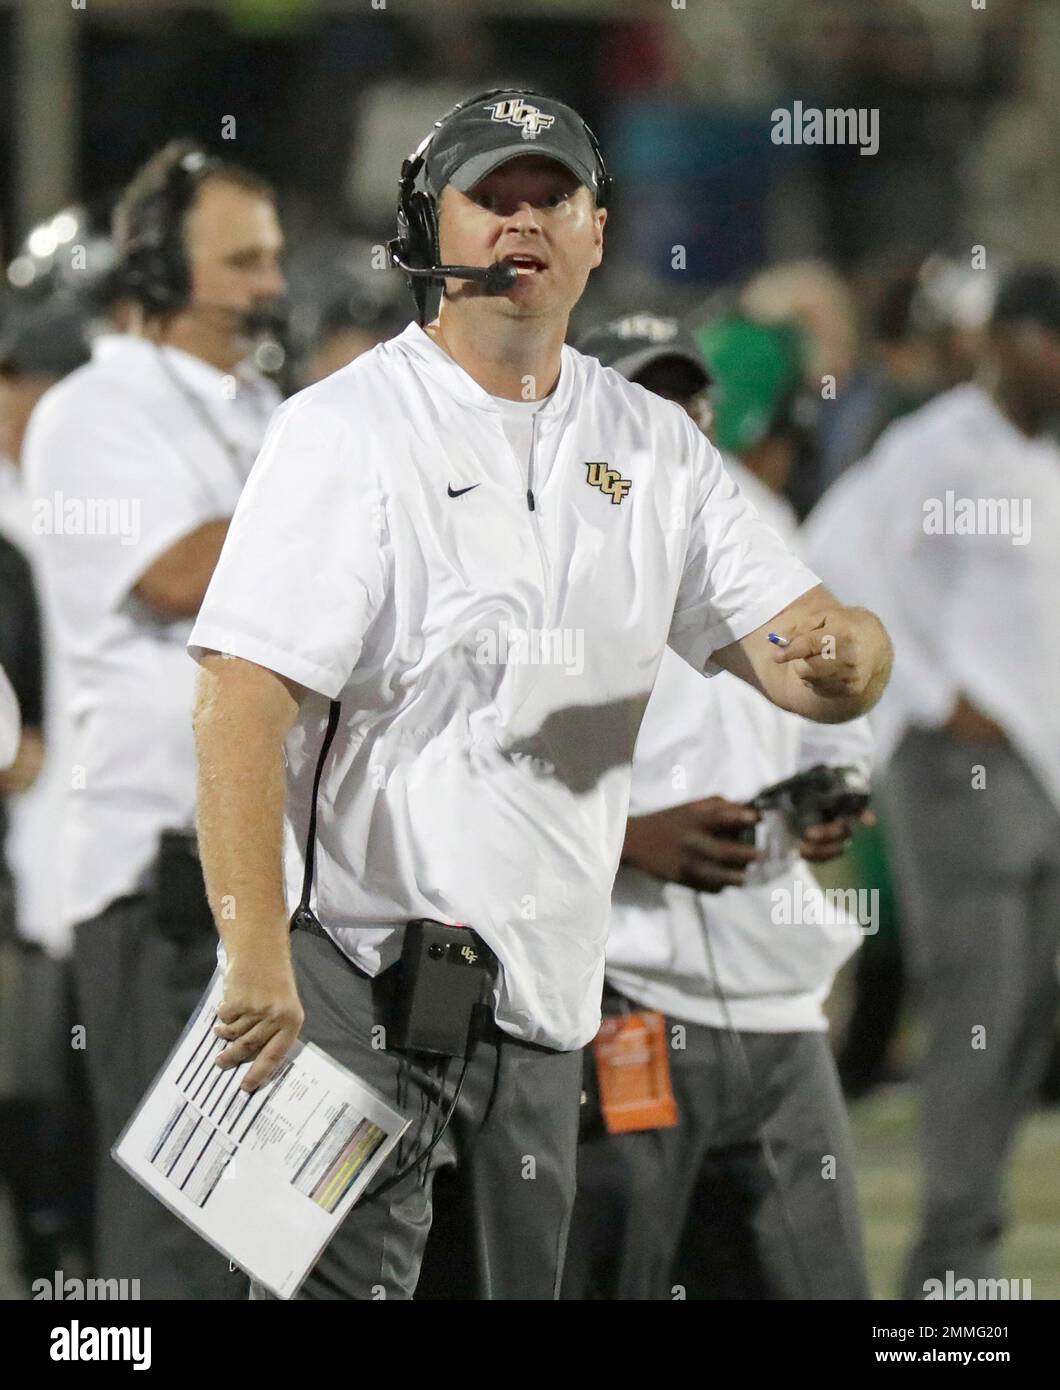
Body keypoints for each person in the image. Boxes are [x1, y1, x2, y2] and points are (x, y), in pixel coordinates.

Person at [189, 89, 892, 1302]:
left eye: (550, 196)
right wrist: (253, 952)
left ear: (597, 231)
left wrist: (851, 654)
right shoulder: (342, 428)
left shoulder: (657, 442)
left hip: (541, 1010)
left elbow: (800, 647)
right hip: (349, 985)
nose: (524, 223)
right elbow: (242, 698)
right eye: (491, 197)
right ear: (430, 227)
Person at [559, 312, 873, 1301]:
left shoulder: (757, 523)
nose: (676, 422)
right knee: (616, 1278)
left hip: (775, 992)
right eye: (645, 401)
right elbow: (465, 774)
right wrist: (626, 839)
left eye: (688, 400)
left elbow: (832, 705)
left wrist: (834, 789)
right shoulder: (534, 554)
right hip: (621, 986)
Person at [23, 140, 286, 1299]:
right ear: (154, 266)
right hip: (154, 875)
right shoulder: (93, 407)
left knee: (272, 1230)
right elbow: (182, 576)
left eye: (273, 258)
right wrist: (343, 507)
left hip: (272, 875)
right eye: (242, 262)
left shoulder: (265, 407)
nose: (272, 287)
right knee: (181, 1227)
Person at [802, 266, 1060, 1298]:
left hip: (1040, 765)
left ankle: (965, 1241)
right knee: (978, 1008)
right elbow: (833, 555)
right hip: (963, 768)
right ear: (1005, 341)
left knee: (1029, 1012)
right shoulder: (934, 451)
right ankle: (949, 1273)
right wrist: (931, 693)